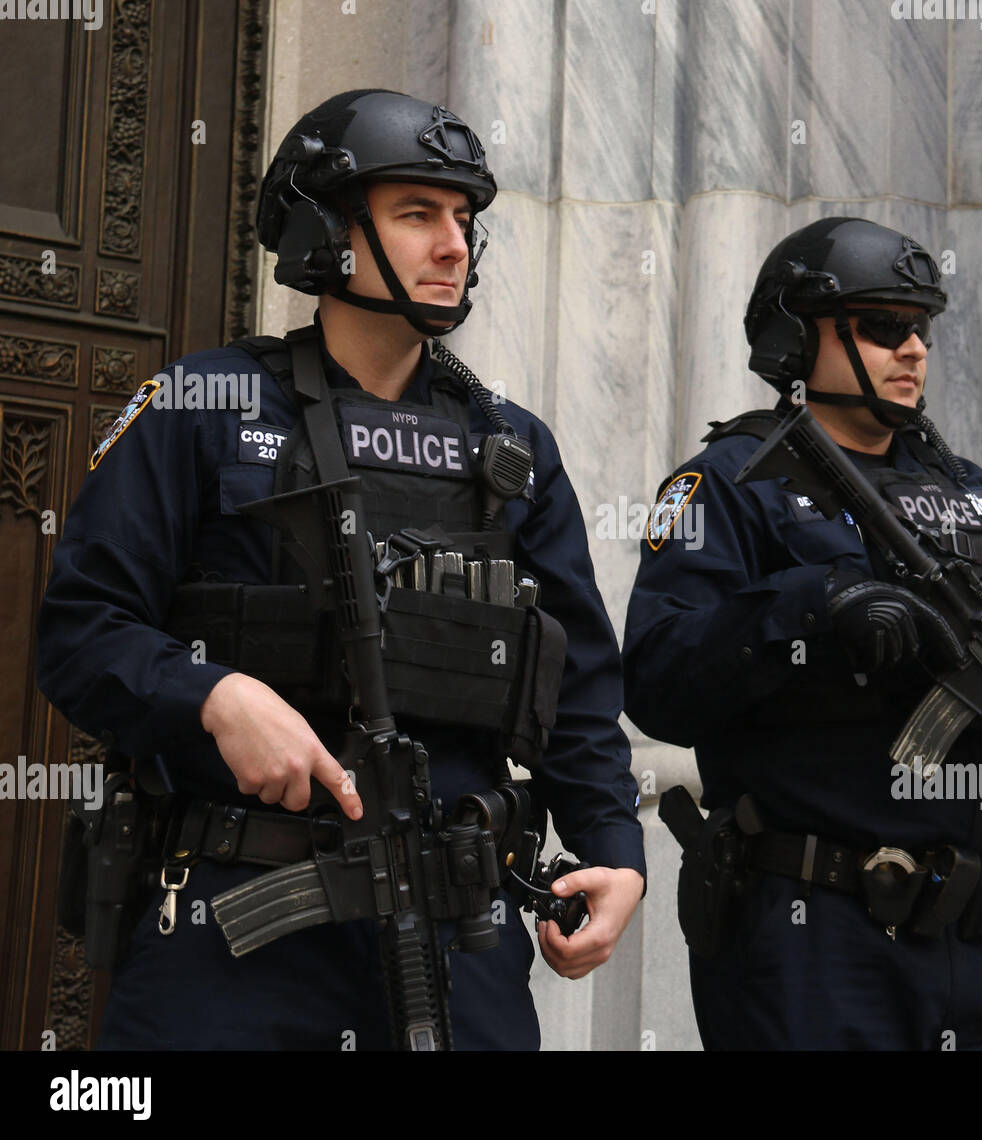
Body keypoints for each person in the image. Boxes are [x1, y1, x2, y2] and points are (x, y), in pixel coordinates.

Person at [37, 89, 645, 1050]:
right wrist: (213, 695)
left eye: (464, 219)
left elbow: (575, 682)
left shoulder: (511, 445)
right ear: (328, 231)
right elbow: (79, 633)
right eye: (417, 214)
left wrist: (614, 850)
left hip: (459, 934)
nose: (455, 245)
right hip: (238, 930)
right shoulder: (203, 403)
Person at [622, 216, 982, 1050]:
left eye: (920, 329)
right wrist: (815, 606)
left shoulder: (976, 495)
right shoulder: (726, 484)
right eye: (882, 327)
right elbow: (657, 679)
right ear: (794, 337)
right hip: (816, 934)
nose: (913, 350)